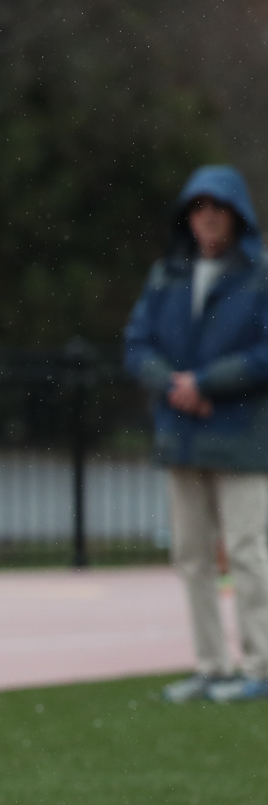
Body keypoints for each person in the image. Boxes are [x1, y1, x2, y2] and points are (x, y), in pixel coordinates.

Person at [124, 164, 268, 705]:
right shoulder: (167, 275)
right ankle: (211, 666)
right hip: (181, 437)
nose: (208, 219)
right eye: (200, 209)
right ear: (189, 216)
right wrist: (174, 385)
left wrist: (210, 382)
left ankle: (260, 665)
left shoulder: (259, 276)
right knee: (191, 555)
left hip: (242, 440)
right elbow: (137, 343)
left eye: (219, 209)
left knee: (249, 553)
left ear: (236, 216)